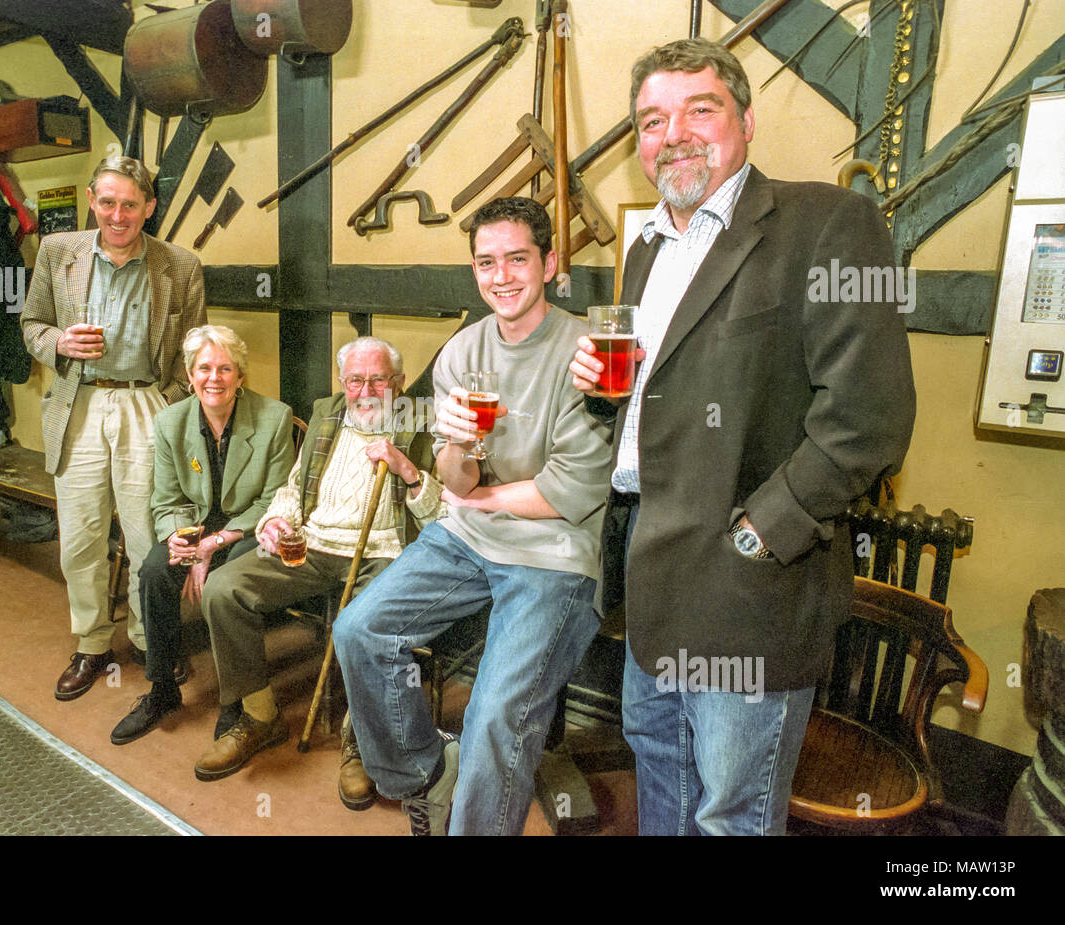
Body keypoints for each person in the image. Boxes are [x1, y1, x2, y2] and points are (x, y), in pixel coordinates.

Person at [569, 38, 915, 835]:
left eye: (701, 108)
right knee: (657, 767)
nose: (674, 132)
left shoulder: (828, 222)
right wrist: (604, 396)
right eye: (651, 120)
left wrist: (762, 536)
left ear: (747, 120)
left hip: (746, 591)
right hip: (646, 575)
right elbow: (661, 403)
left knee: (732, 813)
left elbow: (870, 419)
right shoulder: (646, 247)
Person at [333, 197, 614, 836]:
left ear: (548, 263)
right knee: (359, 633)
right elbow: (455, 481)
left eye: (518, 258)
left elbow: (567, 493)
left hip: (553, 552)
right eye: (487, 262)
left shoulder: (584, 352)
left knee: (494, 717)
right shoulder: (462, 352)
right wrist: (457, 447)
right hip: (467, 539)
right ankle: (427, 776)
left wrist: (477, 496)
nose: (502, 276)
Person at [190, 336, 440, 812]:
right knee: (224, 589)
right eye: (354, 380)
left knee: (363, 630)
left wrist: (408, 471)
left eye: (377, 380)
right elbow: (292, 486)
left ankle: (361, 740)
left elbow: (443, 516)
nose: (365, 390)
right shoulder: (328, 413)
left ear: (400, 384)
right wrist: (277, 520)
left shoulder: (422, 425)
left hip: (383, 552)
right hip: (312, 543)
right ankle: (260, 716)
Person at [20, 155, 205, 701]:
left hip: (145, 404)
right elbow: (31, 324)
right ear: (91, 200)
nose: (117, 215)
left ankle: (155, 642)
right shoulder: (58, 253)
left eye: (130, 205)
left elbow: (192, 350)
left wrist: (167, 403)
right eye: (107, 202)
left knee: (150, 537)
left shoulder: (182, 265)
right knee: (80, 538)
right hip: (78, 403)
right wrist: (58, 343)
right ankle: (92, 644)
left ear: (149, 207)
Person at [109, 324, 294, 745]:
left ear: (240, 377)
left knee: (225, 584)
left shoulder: (274, 418)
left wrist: (214, 544)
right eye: (204, 368)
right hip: (194, 528)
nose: (215, 378)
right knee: (155, 571)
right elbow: (166, 497)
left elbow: (275, 499)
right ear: (190, 376)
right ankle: (162, 690)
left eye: (225, 368)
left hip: (248, 528)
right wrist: (179, 538)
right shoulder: (170, 421)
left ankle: (236, 699)